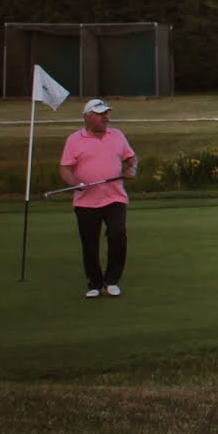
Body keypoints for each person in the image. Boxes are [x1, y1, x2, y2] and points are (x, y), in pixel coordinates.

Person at [60, 97, 137, 299]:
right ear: (87, 117)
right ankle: (94, 283)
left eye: (106, 113)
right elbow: (65, 168)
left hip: (115, 197)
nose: (106, 118)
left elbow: (130, 157)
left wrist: (132, 168)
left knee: (118, 234)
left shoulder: (117, 135)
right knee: (89, 243)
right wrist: (73, 182)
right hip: (85, 200)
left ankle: (111, 281)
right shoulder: (74, 140)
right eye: (100, 114)